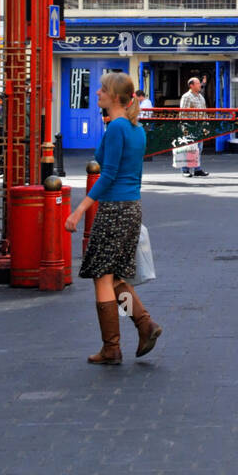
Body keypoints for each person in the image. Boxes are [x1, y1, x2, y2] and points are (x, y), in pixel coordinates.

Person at [65, 73, 161, 364]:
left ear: (115, 97)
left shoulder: (117, 128)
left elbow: (107, 174)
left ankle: (111, 348)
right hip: (132, 206)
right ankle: (145, 325)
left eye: (102, 90)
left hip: (114, 209)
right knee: (116, 275)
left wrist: (80, 209)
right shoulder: (135, 128)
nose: (97, 93)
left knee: (102, 277)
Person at [179, 76, 209, 177]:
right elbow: (183, 112)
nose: (199, 85)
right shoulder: (186, 96)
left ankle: (197, 169)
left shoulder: (200, 96)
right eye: (197, 83)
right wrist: (185, 127)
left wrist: (206, 123)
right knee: (188, 148)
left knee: (198, 148)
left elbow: (204, 111)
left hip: (200, 125)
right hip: (190, 125)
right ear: (191, 85)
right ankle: (185, 170)